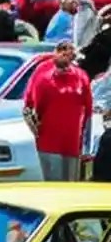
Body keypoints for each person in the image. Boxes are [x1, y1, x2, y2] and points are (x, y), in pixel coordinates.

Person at [24, 40, 92, 181]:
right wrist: (35, 130)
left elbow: (88, 112)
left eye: (69, 51)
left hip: (73, 144)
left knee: (69, 186)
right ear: (55, 52)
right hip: (48, 143)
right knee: (52, 185)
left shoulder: (81, 77)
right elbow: (29, 105)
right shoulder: (43, 73)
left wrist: (86, 146)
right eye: (62, 50)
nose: (65, 54)